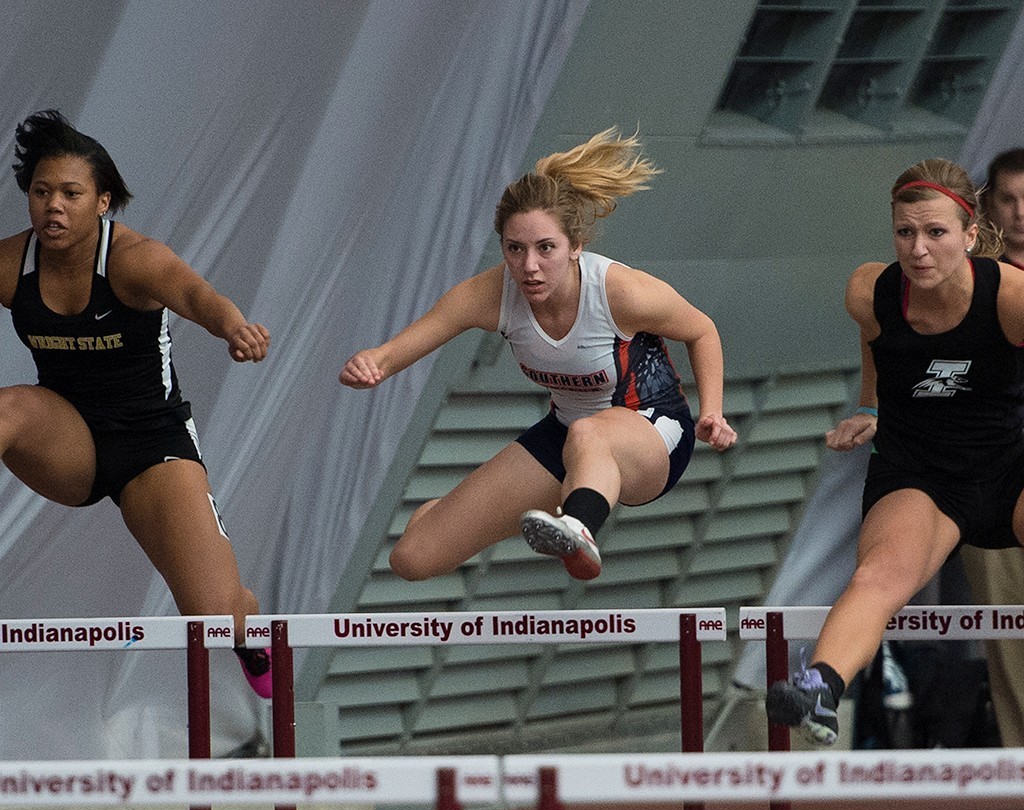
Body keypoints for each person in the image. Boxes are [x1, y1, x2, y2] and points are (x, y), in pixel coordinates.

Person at [340, 128, 736, 582]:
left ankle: (579, 528)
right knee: (412, 559)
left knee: (591, 434)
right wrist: (373, 362)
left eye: (545, 248)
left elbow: (702, 330)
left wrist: (714, 412)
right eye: (515, 249)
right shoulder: (491, 294)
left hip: (653, 431)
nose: (529, 266)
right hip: (565, 433)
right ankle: (526, 514)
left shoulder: (620, 292)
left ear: (575, 247)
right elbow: (401, 347)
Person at [0, 110, 273, 697]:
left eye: (71, 194)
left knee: (214, 618)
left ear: (102, 202)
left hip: (153, 446)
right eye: (41, 192)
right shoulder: (10, 264)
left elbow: (198, 294)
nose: (54, 207)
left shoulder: (132, 259)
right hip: (68, 437)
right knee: (8, 408)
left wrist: (233, 327)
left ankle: (243, 607)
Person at [765, 157, 1024, 746]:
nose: (919, 249)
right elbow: (876, 339)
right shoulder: (870, 290)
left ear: (971, 235)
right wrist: (869, 405)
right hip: (920, 476)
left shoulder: (1009, 298)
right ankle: (819, 687)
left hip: (1008, 468)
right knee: (881, 574)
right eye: (905, 233)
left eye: (936, 233)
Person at [958, 147, 1024, 747]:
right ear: (988, 207)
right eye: (1009, 198)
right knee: (1007, 629)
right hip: (992, 475)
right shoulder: (965, 282)